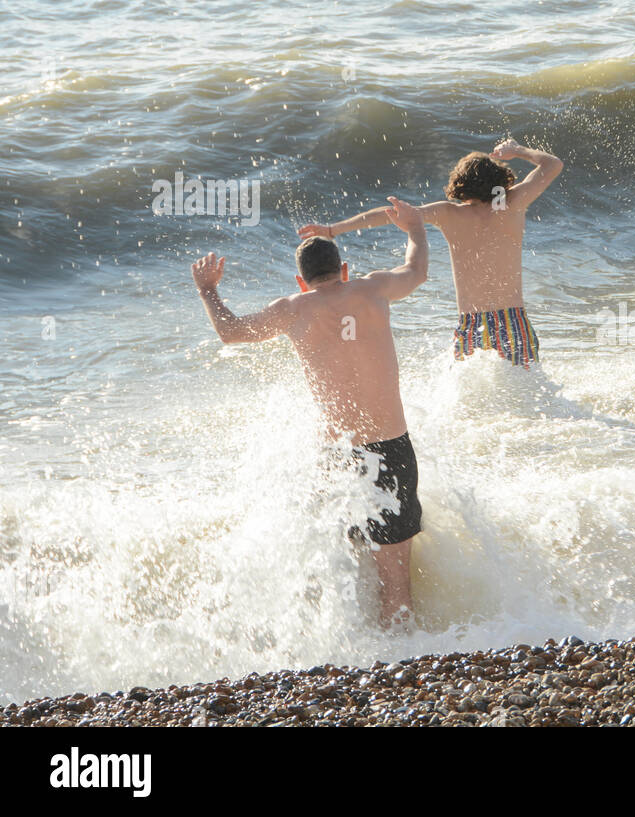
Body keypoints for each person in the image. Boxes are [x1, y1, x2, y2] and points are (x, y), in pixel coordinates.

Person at [191, 197, 430, 628]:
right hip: (392, 447)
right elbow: (416, 271)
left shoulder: (292, 310)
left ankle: (351, 648)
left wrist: (208, 290)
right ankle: (405, 652)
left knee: (346, 560)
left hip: (339, 456)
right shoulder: (373, 288)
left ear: (301, 282)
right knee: (395, 577)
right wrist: (414, 228)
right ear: (344, 271)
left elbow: (230, 332)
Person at [298, 139, 563, 368]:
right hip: (512, 320)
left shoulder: (449, 213)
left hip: (472, 325)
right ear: (500, 180)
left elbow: (391, 215)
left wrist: (334, 229)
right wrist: (518, 150)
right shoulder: (513, 203)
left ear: (461, 183)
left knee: (473, 407)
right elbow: (553, 165)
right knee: (526, 395)